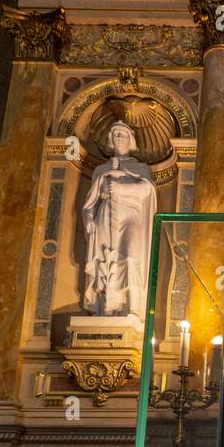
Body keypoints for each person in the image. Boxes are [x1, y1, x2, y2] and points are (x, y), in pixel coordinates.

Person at [81, 120, 158, 316]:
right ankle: (105, 309)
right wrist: (89, 218)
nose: (119, 139)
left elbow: (147, 190)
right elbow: (91, 202)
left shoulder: (141, 168)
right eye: (115, 135)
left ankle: (133, 309)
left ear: (130, 140)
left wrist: (124, 187)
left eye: (123, 135)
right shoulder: (100, 170)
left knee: (131, 257)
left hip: (131, 217)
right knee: (105, 260)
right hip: (105, 217)